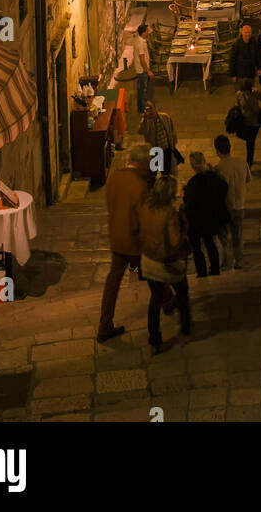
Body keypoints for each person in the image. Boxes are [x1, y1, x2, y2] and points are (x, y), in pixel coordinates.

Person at [97, 143, 152, 341]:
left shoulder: (114, 178)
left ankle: (105, 324)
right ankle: (168, 300)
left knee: (113, 282)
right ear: (142, 162)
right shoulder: (139, 185)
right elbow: (142, 217)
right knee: (151, 272)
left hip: (116, 237)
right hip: (134, 241)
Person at [138, 173, 191, 352]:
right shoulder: (170, 214)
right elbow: (175, 242)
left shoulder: (146, 207)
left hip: (147, 260)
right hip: (166, 263)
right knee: (182, 292)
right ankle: (185, 330)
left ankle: (154, 340)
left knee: (155, 299)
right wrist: (183, 222)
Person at [183, 152, 230, 278]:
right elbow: (224, 188)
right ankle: (215, 269)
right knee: (210, 243)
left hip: (197, 220)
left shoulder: (193, 183)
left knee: (197, 248)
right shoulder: (213, 177)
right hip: (211, 217)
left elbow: (189, 203)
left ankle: (202, 272)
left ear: (193, 166)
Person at [213, 134, 251, 269]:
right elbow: (248, 179)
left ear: (217, 150)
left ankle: (226, 261)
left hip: (226, 207)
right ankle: (239, 261)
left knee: (224, 236)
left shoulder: (218, 169)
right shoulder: (242, 162)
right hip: (240, 205)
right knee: (238, 236)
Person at [140, 100, 181, 176]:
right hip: (155, 151)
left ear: (155, 108)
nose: (150, 111)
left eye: (151, 108)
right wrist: (145, 119)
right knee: (152, 173)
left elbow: (172, 130)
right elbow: (142, 131)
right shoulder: (146, 121)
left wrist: (173, 144)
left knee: (166, 172)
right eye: (147, 109)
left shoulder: (165, 117)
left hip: (166, 149)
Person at [234, 76, 261, 166]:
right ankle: (250, 159)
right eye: (244, 90)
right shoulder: (239, 94)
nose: (246, 92)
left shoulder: (256, 93)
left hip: (255, 123)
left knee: (250, 142)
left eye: (247, 90)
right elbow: (237, 104)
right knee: (248, 141)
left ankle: (249, 162)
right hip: (245, 122)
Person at [134, 23, 152, 113]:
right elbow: (142, 59)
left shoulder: (139, 40)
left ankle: (141, 106)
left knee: (141, 89)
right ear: (143, 33)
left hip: (141, 69)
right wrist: (148, 70)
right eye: (147, 31)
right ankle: (142, 108)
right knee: (142, 89)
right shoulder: (140, 44)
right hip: (142, 70)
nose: (148, 32)